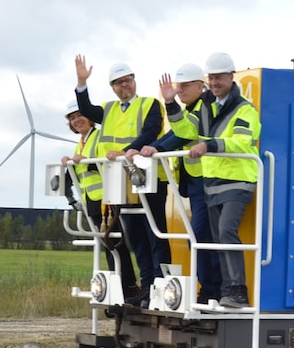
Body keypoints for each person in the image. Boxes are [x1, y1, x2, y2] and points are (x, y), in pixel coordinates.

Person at [74, 55, 170, 306]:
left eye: (127, 80)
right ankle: (146, 289)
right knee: (137, 239)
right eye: (118, 83)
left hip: (148, 180)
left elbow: (150, 131)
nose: (123, 85)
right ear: (112, 87)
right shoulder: (107, 109)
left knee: (155, 236)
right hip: (121, 185)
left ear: (134, 81)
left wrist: (127, 150)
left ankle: (159, 288)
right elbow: (86, 110)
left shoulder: (150, 104)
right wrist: (82, 83)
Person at [128, 63, 222, 304]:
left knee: (200, 235)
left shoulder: (204, 107)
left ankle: (212, 289)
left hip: (206, 182)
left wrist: (155, 147)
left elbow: (184, 134)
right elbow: (174, 133)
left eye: (185, 85)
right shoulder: (192, 108)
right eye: (178, 86)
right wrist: (150, 147)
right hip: (195, 183)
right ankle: (209, 288)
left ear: (200, 86)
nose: (180, 90)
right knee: (200, 235)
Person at [189, 52, 260, 308]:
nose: (214, 82)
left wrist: (210, 144)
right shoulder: (206, 107)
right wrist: (171, 105)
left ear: (231, 77)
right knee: (219, 237)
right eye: (211, 78)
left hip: (237, 181)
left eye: (219, 77)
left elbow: (241, 142)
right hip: (213, 183)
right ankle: (225, 290)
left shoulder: (245, 109)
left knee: (226, 231)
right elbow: (185, 131)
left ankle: (238, 291)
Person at [60, 98, 138, 301]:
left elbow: (107, 165)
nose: (77, 120)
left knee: (114, 243)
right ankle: (120, 286)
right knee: (108, 244)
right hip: (92, 201)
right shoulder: (81, 142)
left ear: (90, 118)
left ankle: (127, 286)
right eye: (72, 118)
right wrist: (68, 164)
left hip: (106, 199)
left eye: (80, 116)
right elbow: (81, 172)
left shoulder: (98, 137)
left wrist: (85, 162)